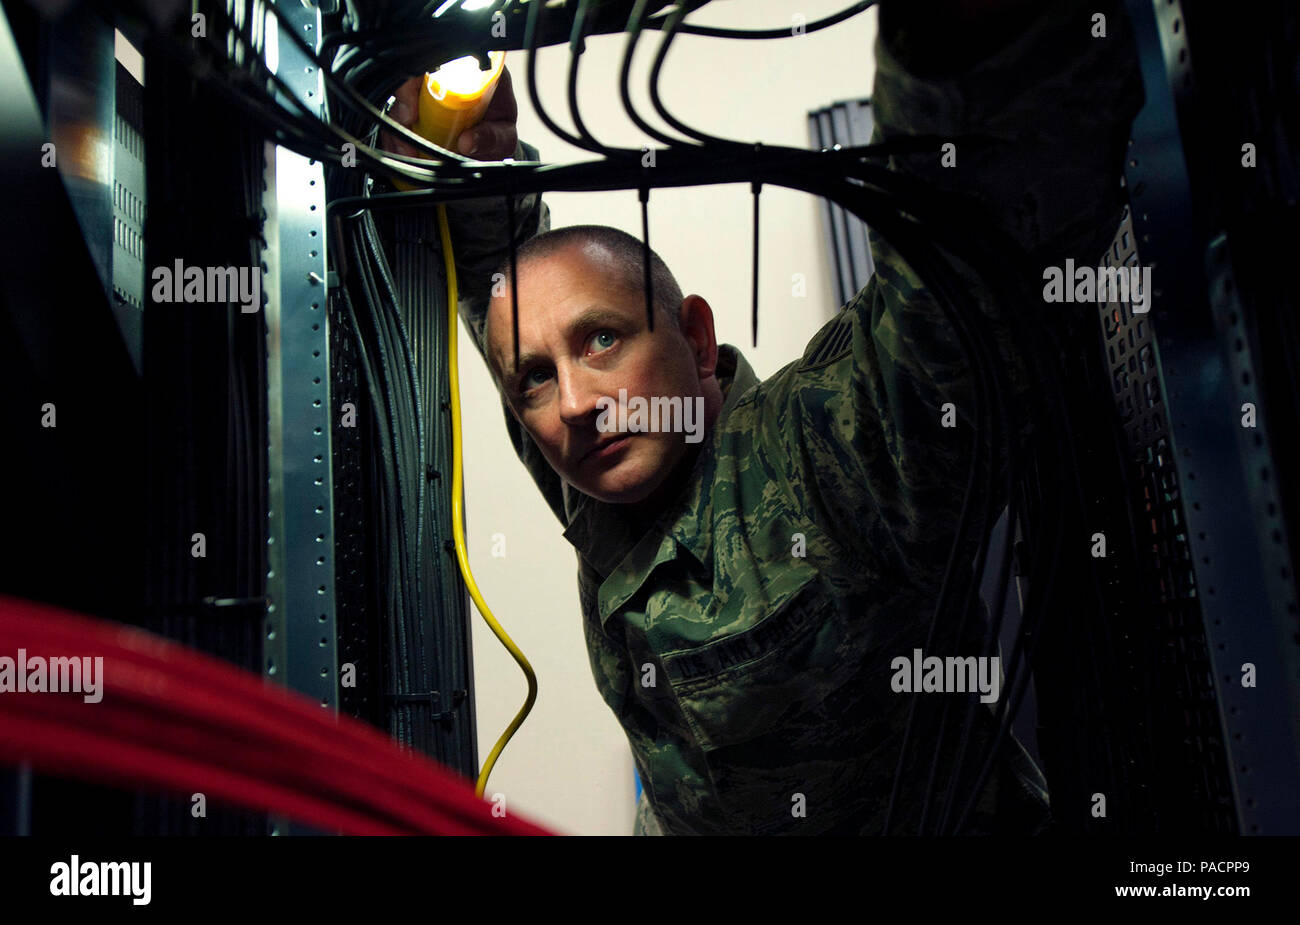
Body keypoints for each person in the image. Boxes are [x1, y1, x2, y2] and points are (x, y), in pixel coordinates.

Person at [382, 0, 1143, 834]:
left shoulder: (821, 451)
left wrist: (958, 39)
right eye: (533, 379)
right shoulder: (603, 470)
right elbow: (503, 285)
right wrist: (468, 155)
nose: (572, 402)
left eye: (603, 339)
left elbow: (964, 280)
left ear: (697, 338)